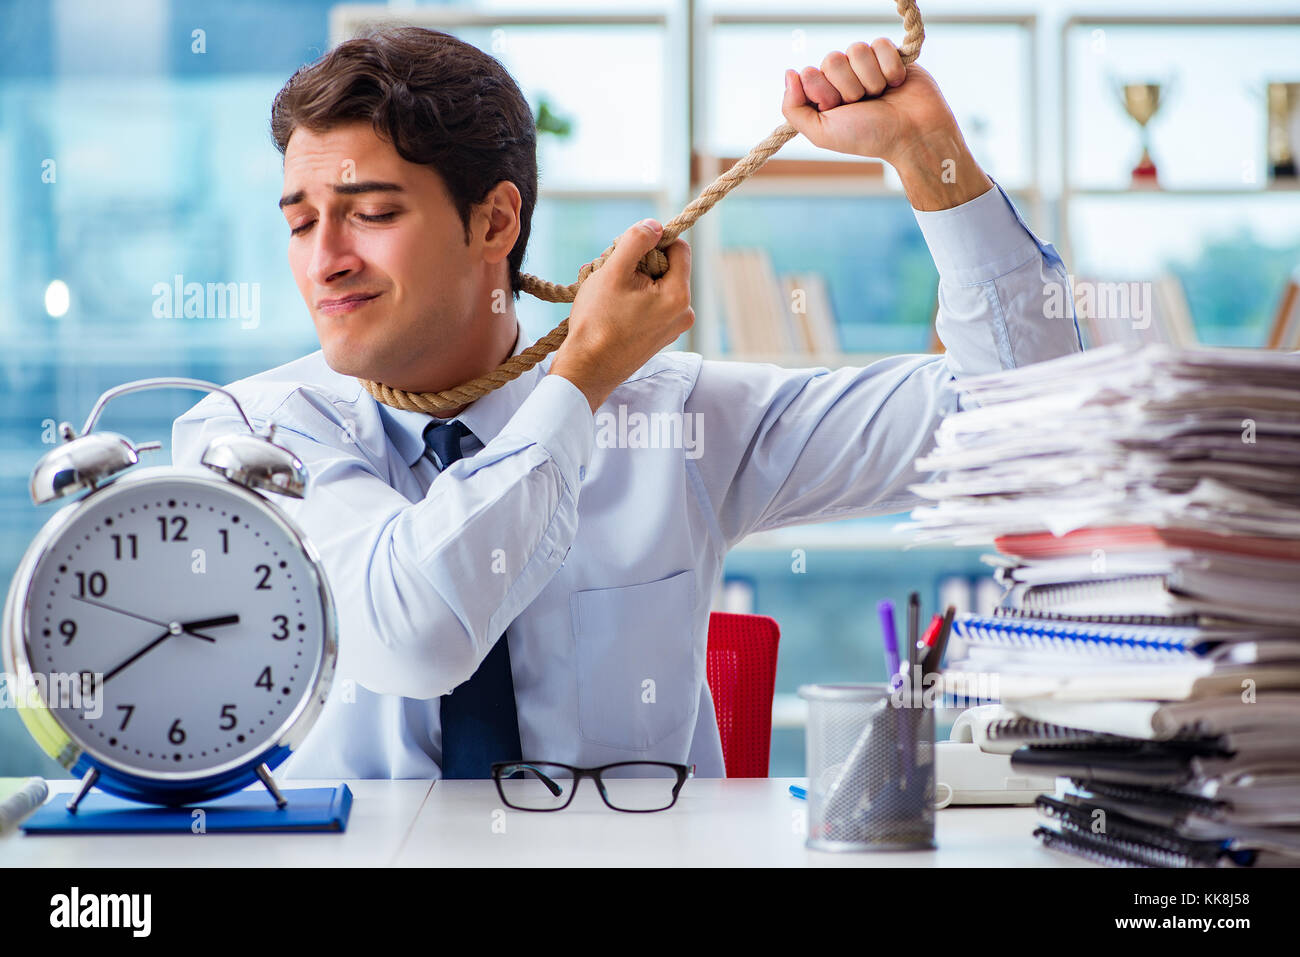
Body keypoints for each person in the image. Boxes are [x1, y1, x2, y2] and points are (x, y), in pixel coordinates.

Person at [171, 26, 1082, 780]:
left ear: (494, 222)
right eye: (299, 221)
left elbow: (1026, 422)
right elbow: (417, 635)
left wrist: (930, 155)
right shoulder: (245, 435)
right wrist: (581, 384)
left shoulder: (677, 420)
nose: (324, 257)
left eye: (369, 213)